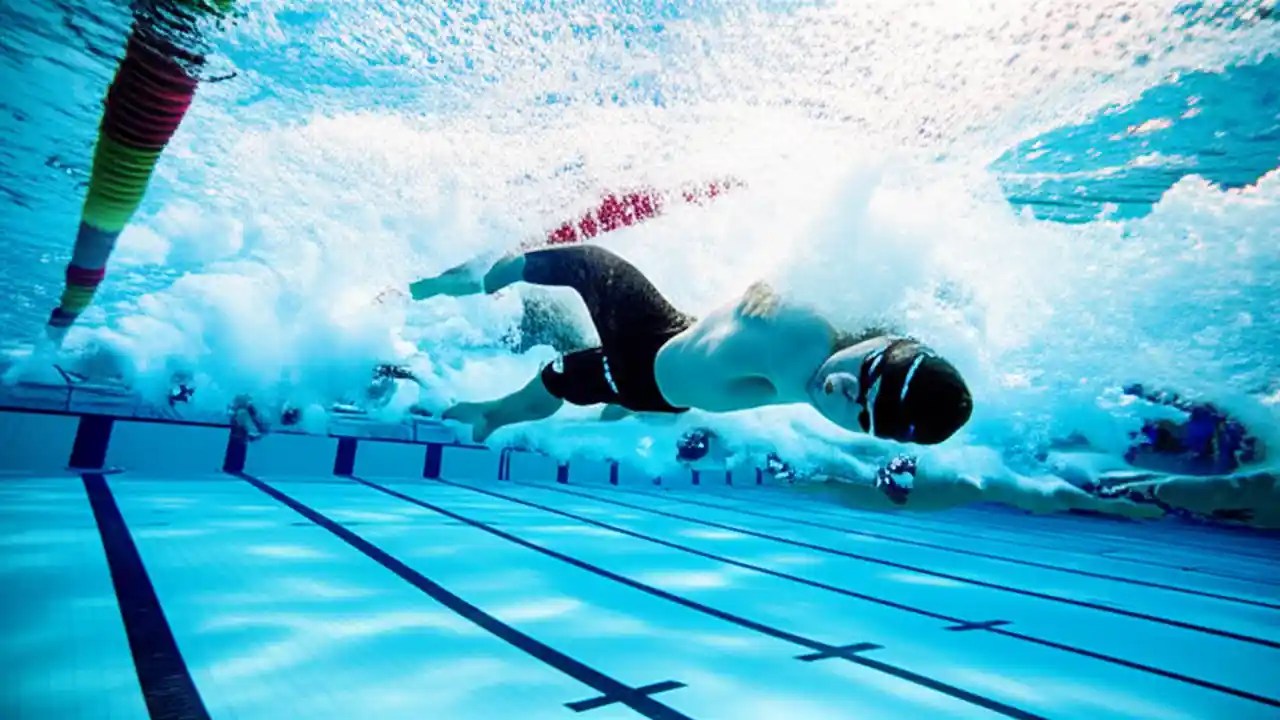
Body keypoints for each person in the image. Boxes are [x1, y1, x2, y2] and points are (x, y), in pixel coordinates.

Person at [407, 244, 974, 444]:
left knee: (563, 365)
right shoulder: (836, 328)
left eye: (862, 416)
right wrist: (769, 283)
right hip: (671, 335)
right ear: (883, 339)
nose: (842, 389)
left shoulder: (816, 354)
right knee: (569, 365)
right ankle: (474, 284)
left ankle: (493, 410)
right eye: (866, 372)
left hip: (643, 369)